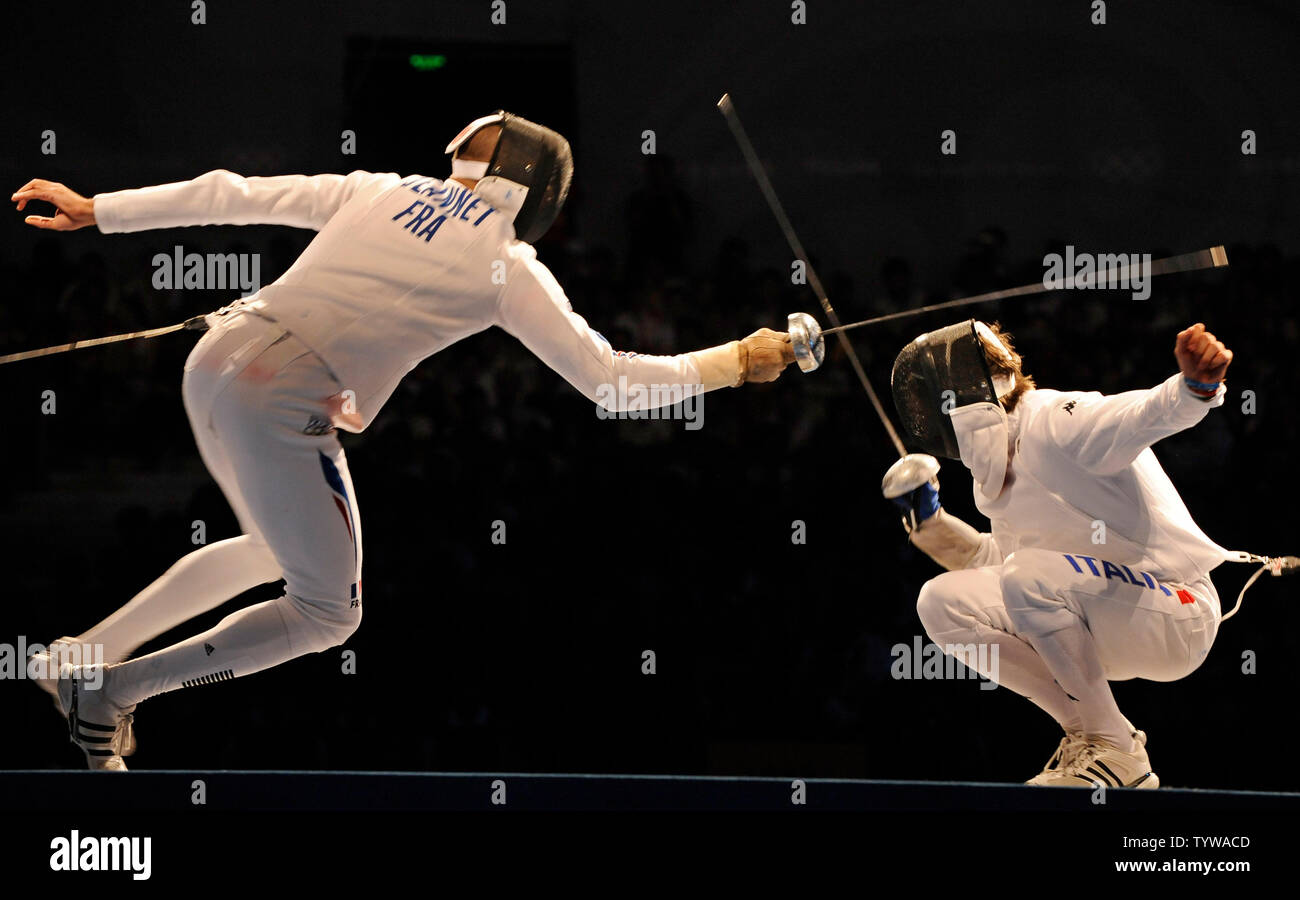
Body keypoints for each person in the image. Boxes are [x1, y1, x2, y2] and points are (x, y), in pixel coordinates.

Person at [14, 110, 796, 770]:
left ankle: (72, 658)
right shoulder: (503, 263)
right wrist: (734, 363)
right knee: (328, 613)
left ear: (498, 168)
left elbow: (235, 193)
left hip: (214, 360)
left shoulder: (379, 188)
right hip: (277, 398)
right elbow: (609, 381)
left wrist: (101, 209)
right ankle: (111, 692)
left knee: (268, 550)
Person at [881, 319, 1232, 788]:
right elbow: (1003, 569)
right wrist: (932, 524)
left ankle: (1118, 752)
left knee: (1027, 577)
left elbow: (1142, 415)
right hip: (1106, 615)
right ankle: (1090, 733)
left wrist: (1195, 387)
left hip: (1176, 611)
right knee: (941, 603)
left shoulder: (1056, 420)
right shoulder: (997, 477)